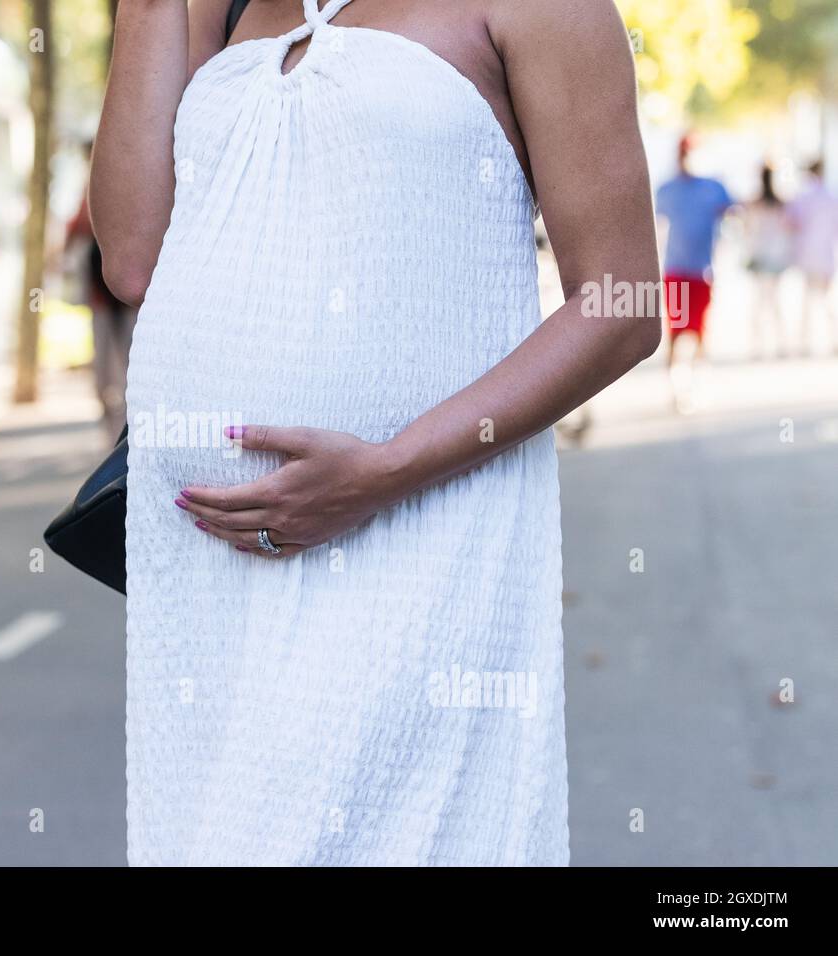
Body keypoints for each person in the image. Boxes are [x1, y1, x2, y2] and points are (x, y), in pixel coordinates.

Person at [91, 0, 660, 865]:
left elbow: (620, 307)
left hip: (414, 533)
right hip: (205, 574)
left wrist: (386, 469)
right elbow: (132, 256)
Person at [654, 135, 734, 409]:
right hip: (676, 269)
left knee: (700, 330)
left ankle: (698, 384)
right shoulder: (667, 189)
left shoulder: (713, 187)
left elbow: (734, 212)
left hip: (702, 271)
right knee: (676, 330)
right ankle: (675, 389)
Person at [63, 142, 136, 442]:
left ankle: (128, 429)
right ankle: (113, 431)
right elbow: (74, 233)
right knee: (105, 367)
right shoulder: (88, 195)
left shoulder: (123, 187)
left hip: (128, 297)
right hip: (101, 296)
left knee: (129, 363)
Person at [786, 160, 838, 356]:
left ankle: (804, 343)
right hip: (826, 256)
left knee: (808, 301)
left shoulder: (804, 197)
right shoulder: (831, 197)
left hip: (808, 256)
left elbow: (792, 223)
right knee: (825, 301)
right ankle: (833, 340)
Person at [742, 164, 791, 359]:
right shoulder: (781, 203)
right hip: (775, 257)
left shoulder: (754, 202)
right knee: (774, 302)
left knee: (759, 302)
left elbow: (746, 229)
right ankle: (780, 343)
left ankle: (757, 344)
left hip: (759, 256)